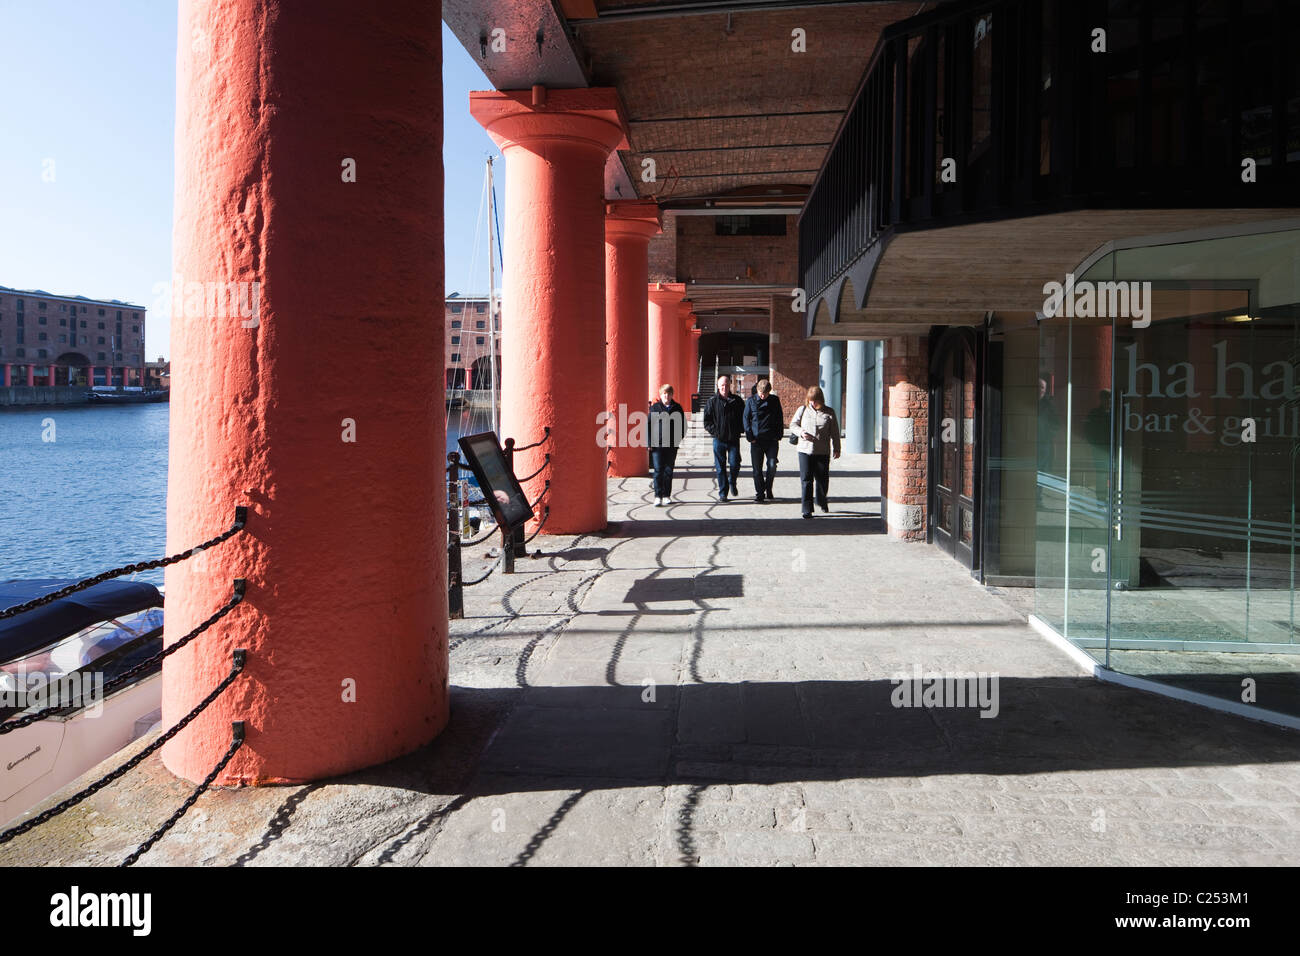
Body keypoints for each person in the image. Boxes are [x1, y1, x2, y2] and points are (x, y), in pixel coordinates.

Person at [789, 385, 841, 518]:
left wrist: (837, 448)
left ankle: (821, 500)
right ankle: (807, 509)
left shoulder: (829, 412)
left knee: (822, 480)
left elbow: (835, 432)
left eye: (815, 400)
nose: (812, 403)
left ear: (821, 400)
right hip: (804, 450)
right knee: (806, 480)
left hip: (822, 451)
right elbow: (793, 425)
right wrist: (801, 432)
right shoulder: (802, 410)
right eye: (810, 400)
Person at [702, 374, 744, 501]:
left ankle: (732, 481)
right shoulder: (712, 402)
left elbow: (744, 418)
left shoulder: (737, 401)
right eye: (722, 385)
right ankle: (723, 493)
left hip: (733, 439)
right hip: (718, 439)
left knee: (735, 463)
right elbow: (707, 421)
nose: (724, 388)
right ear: (718, 386)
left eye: (726, 385)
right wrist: (716, 432)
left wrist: (740, 430)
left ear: (730, 385)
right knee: (720, 468)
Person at [743, 378, 784, 502]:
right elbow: (746, 419)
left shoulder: (774, 401)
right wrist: (750, 437)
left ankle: (768, 488)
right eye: (761, 393)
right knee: (757, 470)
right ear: (757, 390)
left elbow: (779, 418)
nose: (762, 396)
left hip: (771, 440)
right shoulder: (750, 401)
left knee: (772, 465)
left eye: (765, 394)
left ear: (769, 392)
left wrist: (779, 435)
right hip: (756, 441)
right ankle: (760, 493)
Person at [648, 384, 686, 506]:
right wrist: (649, 443)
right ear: (660, 395)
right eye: (664, 394)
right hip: (657, 445)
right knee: (658, 470)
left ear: (671, 395)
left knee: (669, 471)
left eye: (668, 393)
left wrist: (678, 439)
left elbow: (683, 426)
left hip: (671, 445)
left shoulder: (677, 408)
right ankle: (657, 496)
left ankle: (666, 496)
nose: (666, 396)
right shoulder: (655, 408)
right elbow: (648, 426)